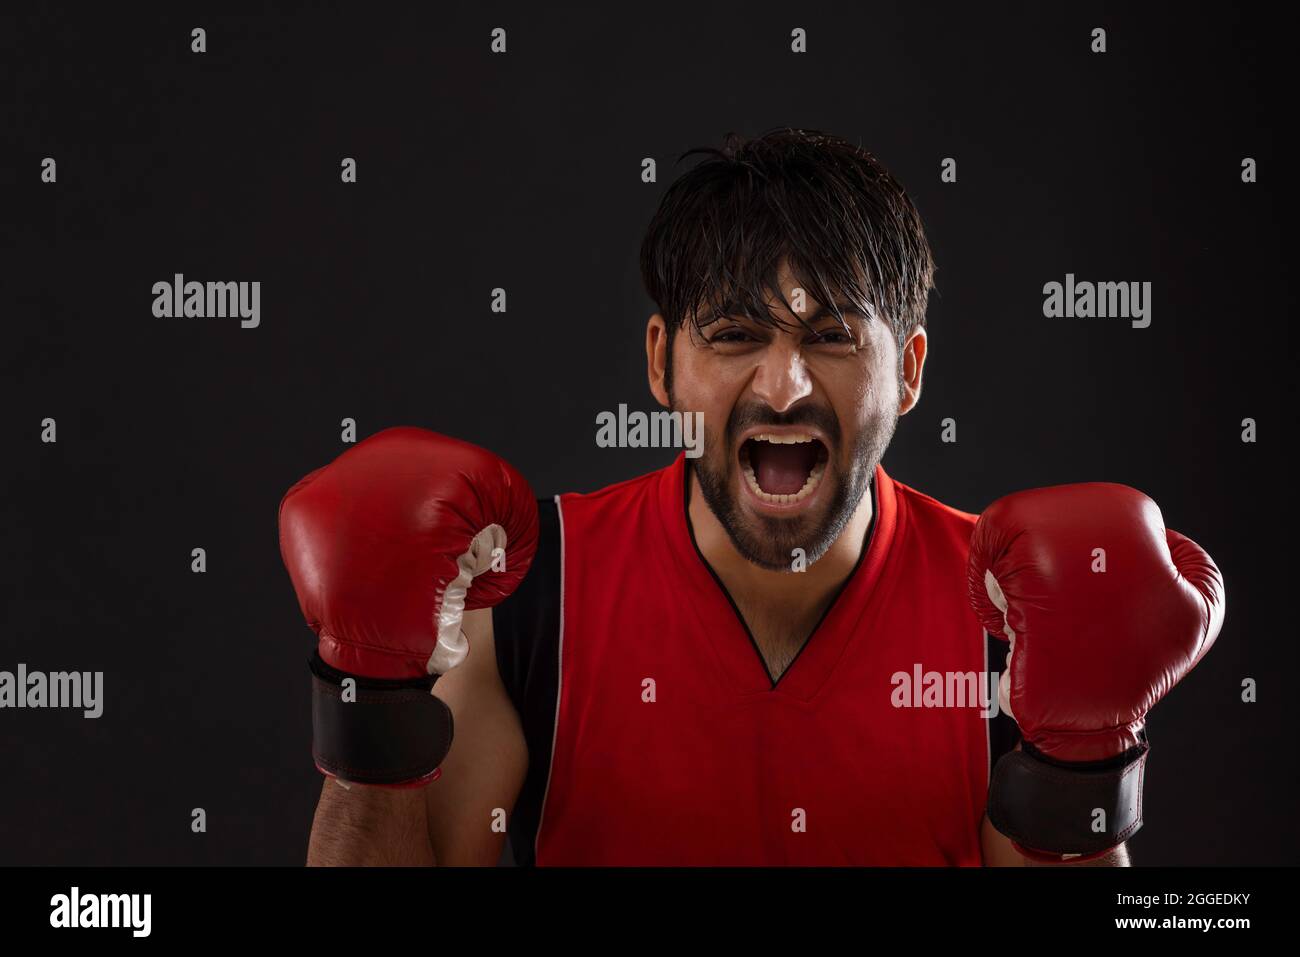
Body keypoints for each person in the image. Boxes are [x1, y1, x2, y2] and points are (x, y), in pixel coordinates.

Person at [279, 129, 1225, 866]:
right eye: (734, 334)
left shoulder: (1008, 615)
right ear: (660, 363)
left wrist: (1083, 772)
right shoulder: (534, 604)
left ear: (911, 371)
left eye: (833, 337)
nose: (783, 387)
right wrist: (372, 695)